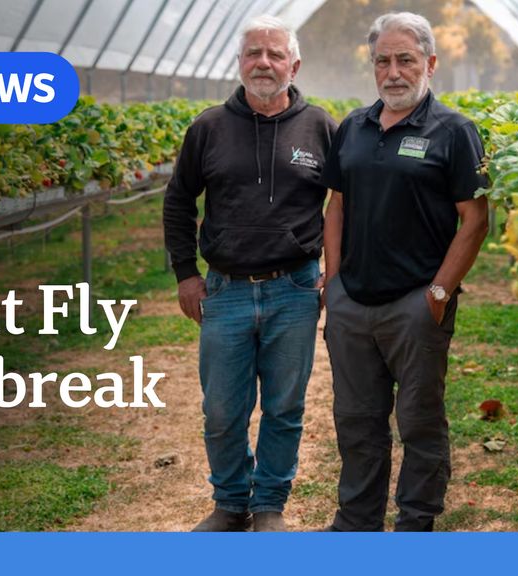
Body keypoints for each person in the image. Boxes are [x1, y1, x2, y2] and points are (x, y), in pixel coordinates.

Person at [163, 14, 337, 532]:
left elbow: (344, 204)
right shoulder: (209, 127)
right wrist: (185, 274)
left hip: (296, 288)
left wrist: (334, 269)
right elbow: (178, 201)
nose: (264, 63)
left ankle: (269, 507)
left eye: (275, 54)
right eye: (253, 54)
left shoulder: (321, 126)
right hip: (226, 290)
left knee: (285, 406)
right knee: (221, 410)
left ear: (294, 64)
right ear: (239, 64)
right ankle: (230, 503)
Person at [320, 12, 490, 532]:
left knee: (419, 421)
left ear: (430, 64)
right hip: (353, 305)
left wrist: (438, 294)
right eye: (383, 61)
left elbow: (476, 218)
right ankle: (357, 522)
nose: (393, 72)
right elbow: (337, 206)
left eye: (406, 60)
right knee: (356, 420)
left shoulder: (456, 132)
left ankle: (415, 522)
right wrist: (333, 281)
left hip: (415, 306)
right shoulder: (353, 126)